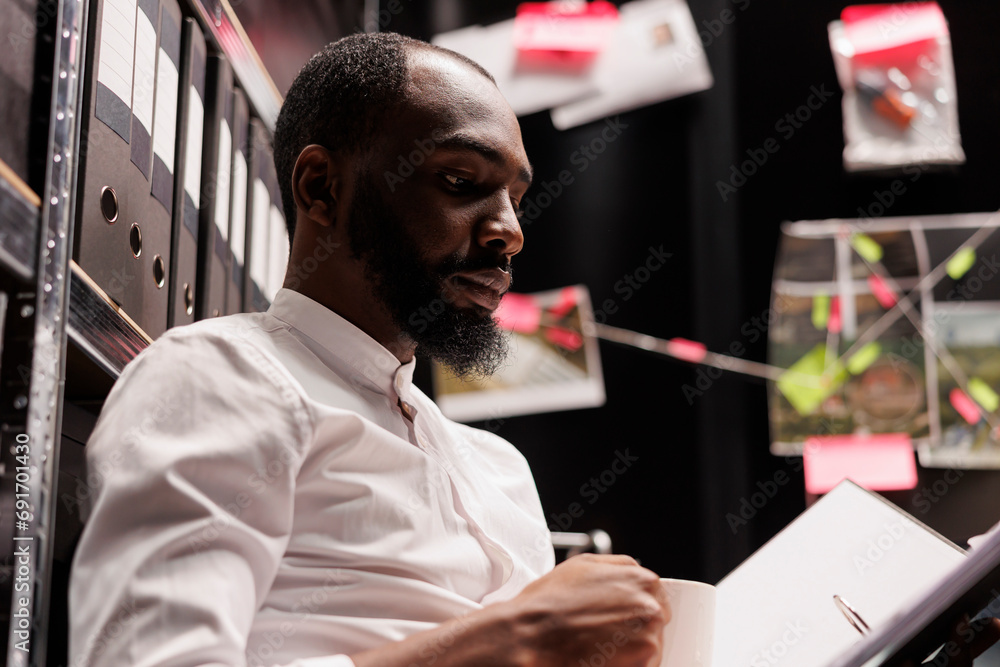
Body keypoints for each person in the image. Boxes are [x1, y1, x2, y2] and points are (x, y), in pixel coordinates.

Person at [69, 32, 670, 667]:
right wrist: (503, 643)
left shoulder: (501, 468)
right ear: (322, 187)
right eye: (461, 180)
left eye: (515, 201)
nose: (510, 233)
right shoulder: (217, 378)